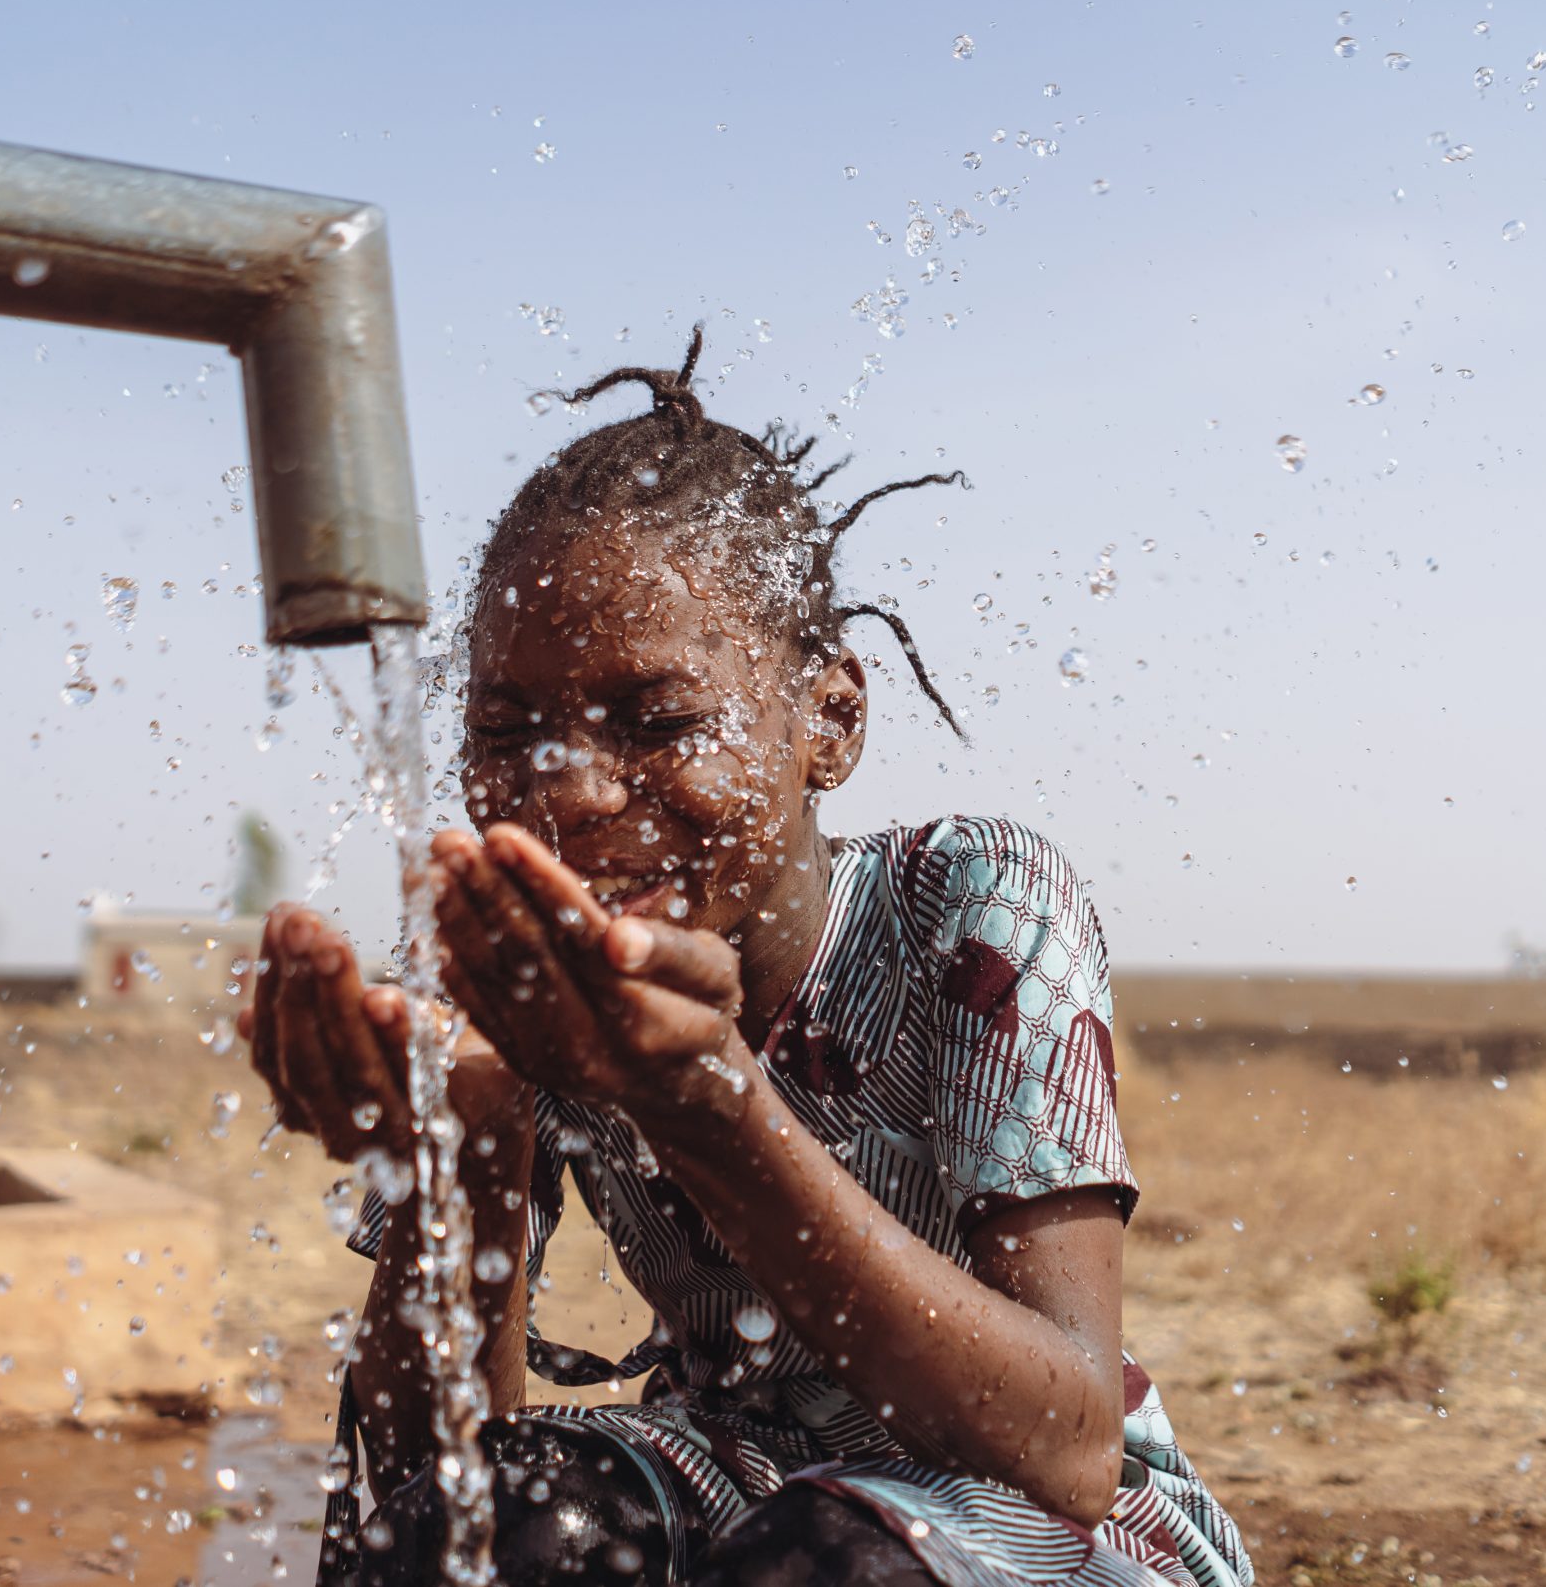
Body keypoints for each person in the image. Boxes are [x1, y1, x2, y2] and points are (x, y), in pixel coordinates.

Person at [241, 328, 1250, 1587]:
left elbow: (1068, 1444)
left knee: (824, 1558)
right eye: (505, 728)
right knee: (471, 1526)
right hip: (740, 1473)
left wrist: (708, 1101)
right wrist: (475, 1137)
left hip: (1042, 1535)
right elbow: (418, 1472)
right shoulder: (515, 959)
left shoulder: (972, 902)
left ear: (828, 718)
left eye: (658, 721)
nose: (571, 791)